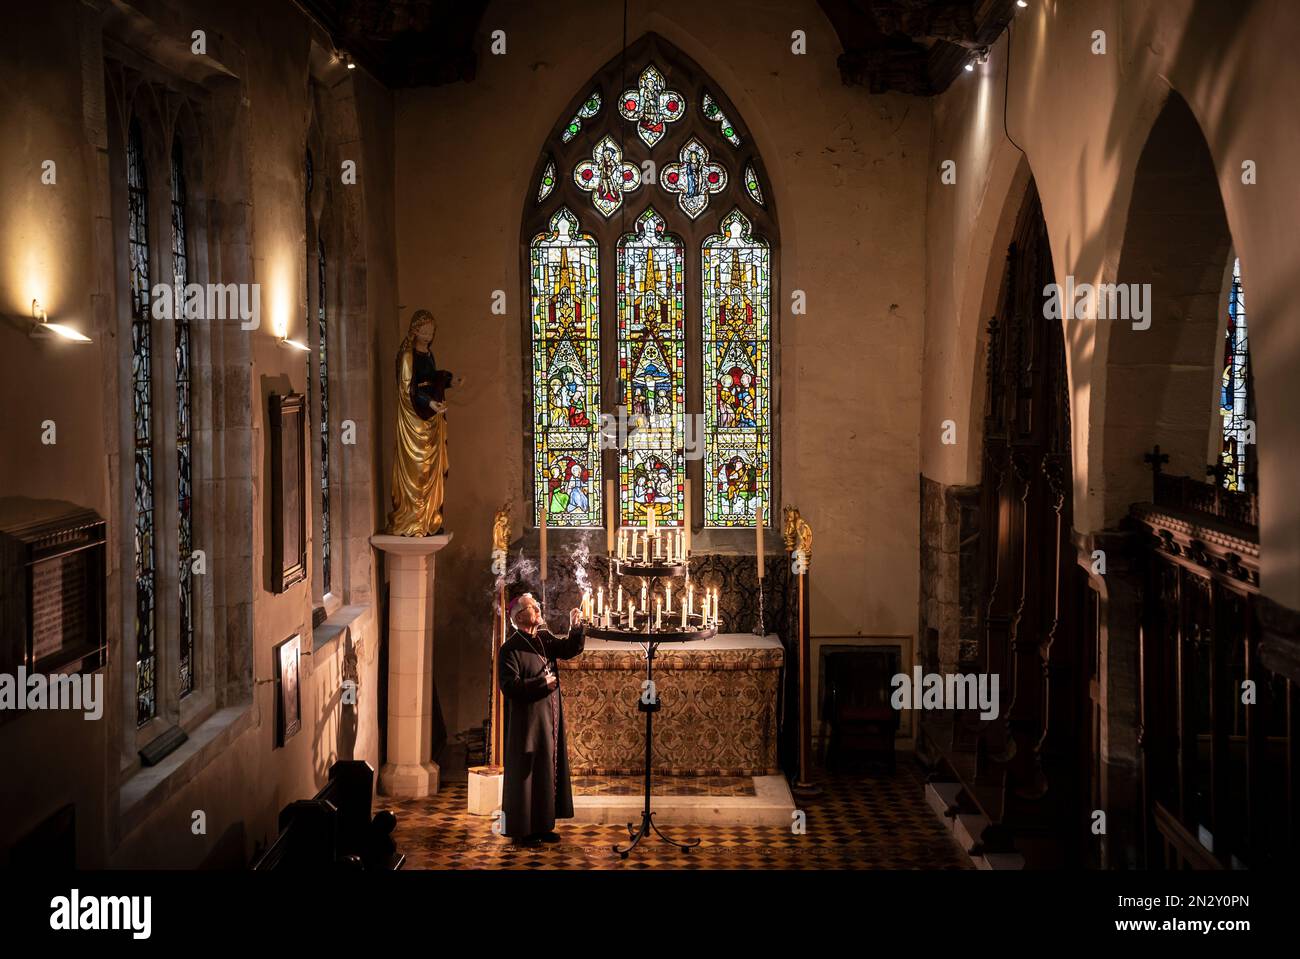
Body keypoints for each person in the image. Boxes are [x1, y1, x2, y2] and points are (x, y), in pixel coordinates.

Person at [497, 593, 586, 846]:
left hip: (550, 719)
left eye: (536, 605)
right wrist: (540, 683)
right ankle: (523, 831)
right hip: (528, 724)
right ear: (520, 616)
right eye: (532, 606)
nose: (538, 608)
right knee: (528, 775)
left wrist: (575, 627)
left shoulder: (544, 638)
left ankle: (543, 825)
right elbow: (510, 687)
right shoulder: (510, 649)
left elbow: (570, 649)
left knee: (547, 771)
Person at [387, 310, 455, 535]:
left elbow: (431, 379)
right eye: (425, 330)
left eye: (432, 331)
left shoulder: (428, 354)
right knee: (418, 470)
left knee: (431, 471)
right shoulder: (408, 356)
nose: (429, 334)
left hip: (431, 420)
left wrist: (449, 381)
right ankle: (411, 518)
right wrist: (430, 404)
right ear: (415, 330)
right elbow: (408, 391)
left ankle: (428, 518)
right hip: (415, 421)